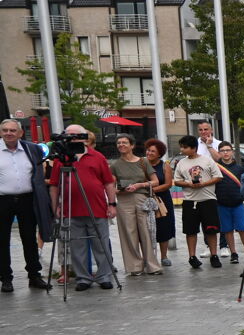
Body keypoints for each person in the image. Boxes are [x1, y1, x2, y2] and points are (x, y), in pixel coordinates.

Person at [48, 124, 117, 290]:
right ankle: (83, 278)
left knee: (100, 244)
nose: (72, 139)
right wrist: (55, 206)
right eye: (68, 135)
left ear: (84, 137)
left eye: (75, 135)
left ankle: (104, 276)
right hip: (70, 209)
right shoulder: (60, 158)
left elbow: (108, 182)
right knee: (76, 246)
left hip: (97, 207)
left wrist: (112, 203)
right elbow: (54, 185)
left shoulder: (97, 156)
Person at [0, 119, 52, 291]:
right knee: (2, 241)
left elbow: (41, 171)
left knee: (29, 239)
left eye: (12, 130)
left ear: (20, 133)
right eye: (5, 130)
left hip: (27, 200)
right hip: (3, 200)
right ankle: (6, 278)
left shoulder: (33, 149)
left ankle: (34, 276)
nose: (8, 133)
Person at [109, 134, 163, 276]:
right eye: (119, 143)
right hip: (124, 200)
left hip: (141, 198)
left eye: (125, 142)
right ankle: (134, 267)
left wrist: (140, 185)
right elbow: (111, 186)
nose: (121, 145)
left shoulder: (143, 162)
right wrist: (120, 189)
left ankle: (152, 265)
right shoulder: (115, 165)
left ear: (132, 145)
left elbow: (155, 181)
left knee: (146, 232)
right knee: (129, 233)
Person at [172, 134, 223, 269]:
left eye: (185, 147)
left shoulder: (207, 160)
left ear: (194, 148)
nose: (182, 150)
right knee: (190, 230)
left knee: (211, 230)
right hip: (190, 200)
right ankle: (192, 256)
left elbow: (218, 176)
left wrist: (204, 183)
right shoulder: (181, 163)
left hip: (208, 199)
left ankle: (214, 255)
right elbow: (176, 180)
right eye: (181, 147)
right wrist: (189, 184)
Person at [214, 143, 244, 264]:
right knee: (227, 230)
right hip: (222, 204)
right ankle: (233, 253)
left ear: (232, 152)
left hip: (237, 203)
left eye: (228, 150)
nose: (225, 153)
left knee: (242, 229)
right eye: (222, 150)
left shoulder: (240, 168)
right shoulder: (216, 168)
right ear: (219, 153)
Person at [144, 139, 176, 266]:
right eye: (148, 150)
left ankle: (163, 256)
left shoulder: (164, 165)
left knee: (164, 228)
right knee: (146, 229)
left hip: (162, 201)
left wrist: (152, 190)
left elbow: (168, 184)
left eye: (153, 151)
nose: (149, 153)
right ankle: (149, 257)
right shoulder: (141, 164)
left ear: (159, 154)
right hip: (145, 200)